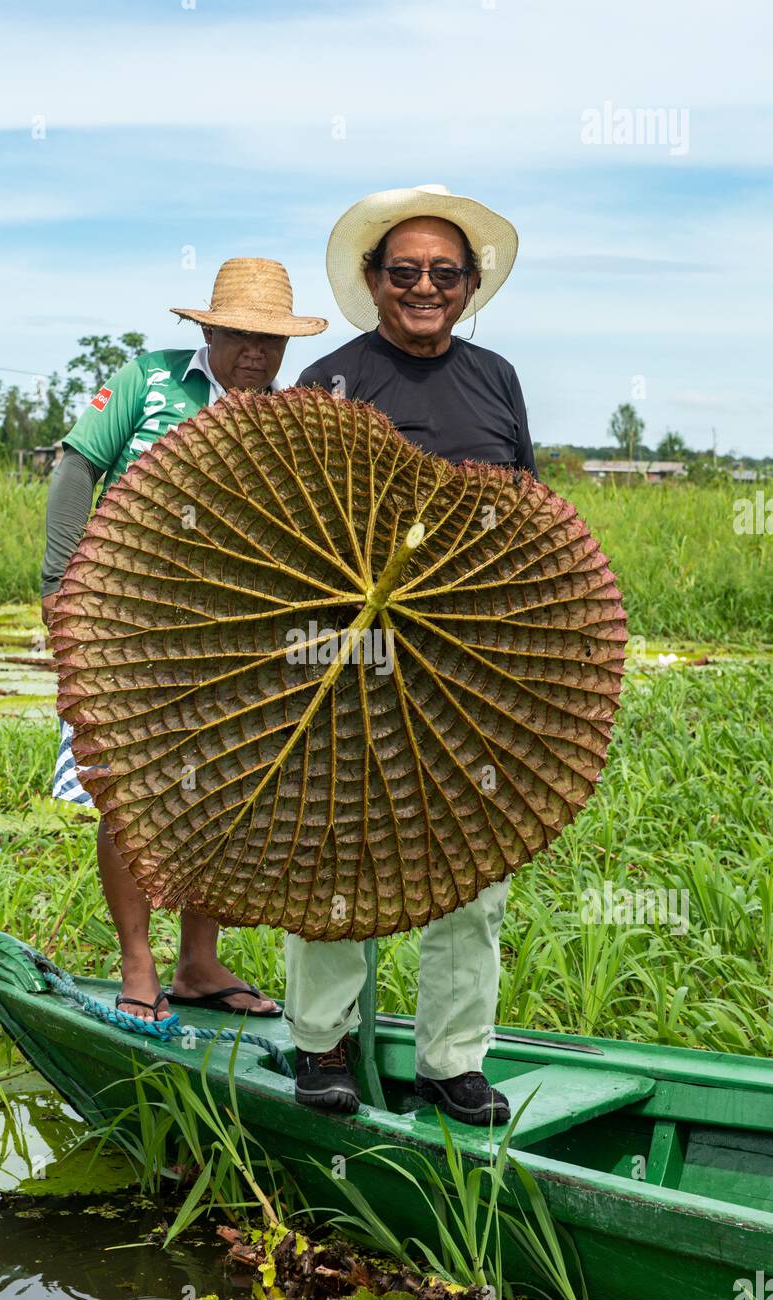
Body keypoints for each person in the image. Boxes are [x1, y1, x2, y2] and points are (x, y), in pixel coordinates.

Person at [284, 185, 536, 1124]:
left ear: (469, 285)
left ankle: (451, 1062)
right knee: (340, 854)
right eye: (405, 271)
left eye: (444, 272)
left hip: (469, 666)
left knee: (472, 867)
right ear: (372, 279)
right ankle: (320, 1047)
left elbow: (529, 519)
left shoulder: (496, 378)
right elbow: (292, 532)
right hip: (354, 660)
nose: (425, 287)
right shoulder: (331, 383)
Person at [41, 258, 328, 1020]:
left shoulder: (290, 412)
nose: (256, 353)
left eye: (271, 340)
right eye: (240, 335)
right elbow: (76, 470)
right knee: (130, 799)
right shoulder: (152, 378)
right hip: (126, 624)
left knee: (228, 798)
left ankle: (198, 963)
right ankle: (139, 968)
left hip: (239, 635)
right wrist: (58, 586)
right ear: (209, 328)